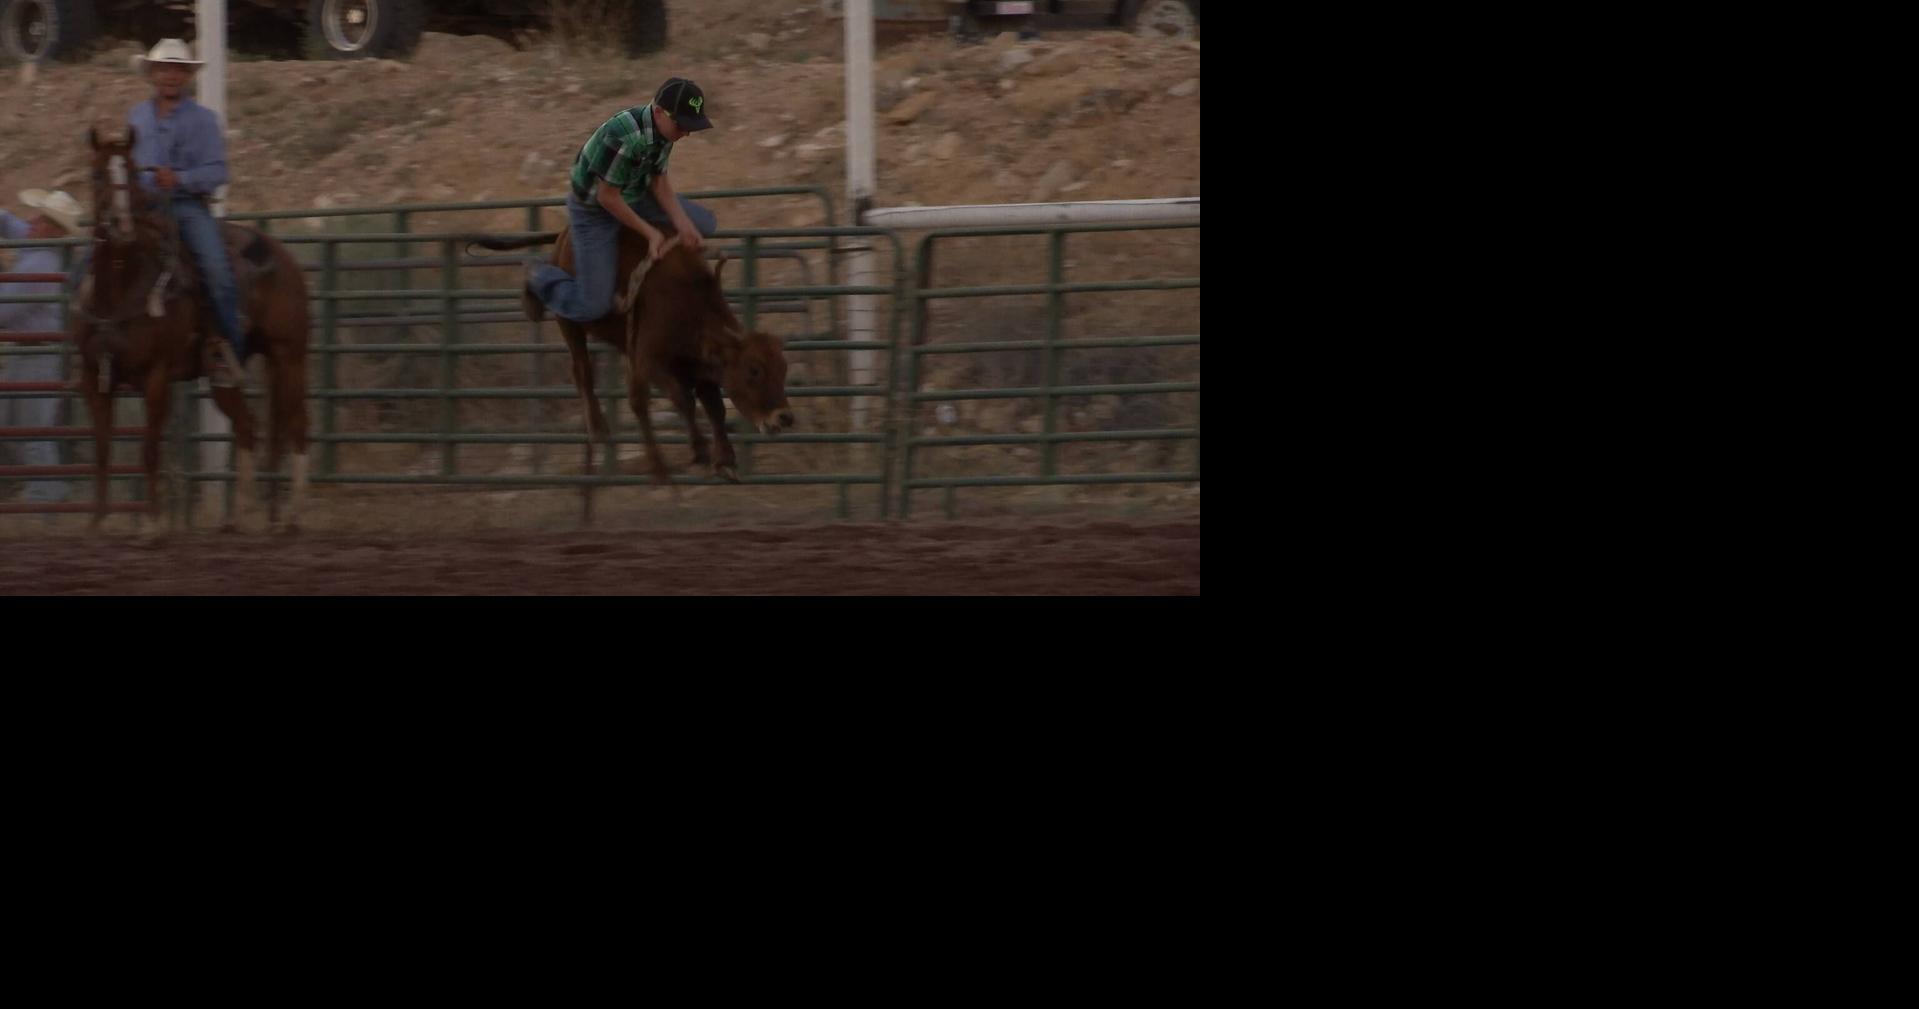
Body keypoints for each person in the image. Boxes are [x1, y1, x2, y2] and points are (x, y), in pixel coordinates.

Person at [525, 77, 720, 323]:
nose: (686, 133)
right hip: (595, 209)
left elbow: (659, 182)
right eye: (682, 125)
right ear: (659, 112)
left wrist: (682, 223)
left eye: (690, 126)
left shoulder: (663, 133)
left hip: (634, 192)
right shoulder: (625, 138)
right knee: (592, 306)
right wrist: (650, 233)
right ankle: (539, 276)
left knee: (705, 223)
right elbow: (607, 198)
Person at [128, 37, 244, 387]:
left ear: (186, 76)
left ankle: (229, 350)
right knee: (95, 259)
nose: (170, 76)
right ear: (152, 74)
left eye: (177, 70)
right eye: (164, 69)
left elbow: (218, 172)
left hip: (186, 205)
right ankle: (89, 345)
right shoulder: (136, 117)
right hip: (144, 206)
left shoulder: (204, 120)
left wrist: (179, 179)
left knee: (217, 270)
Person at [0, 188, 84, 506]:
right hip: (33, 351)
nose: (32, 221)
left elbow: (4, 311)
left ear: (54, 229)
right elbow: (8, 222)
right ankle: (46, 492)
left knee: (32, 430)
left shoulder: (39, 264)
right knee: (18, 425)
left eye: (41, 218)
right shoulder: (44, 248)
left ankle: (46, 496)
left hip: (37, 353)